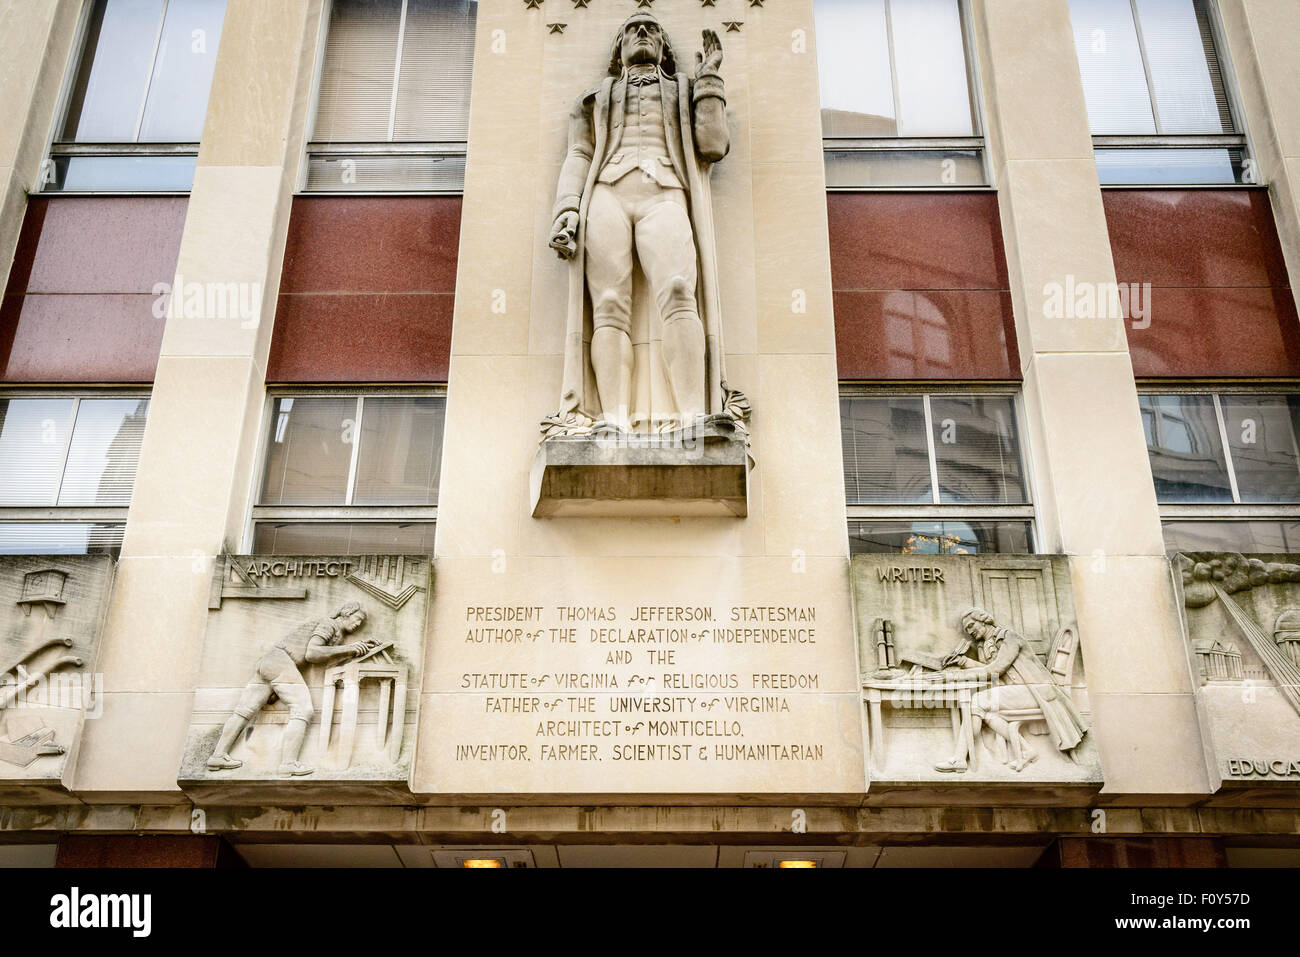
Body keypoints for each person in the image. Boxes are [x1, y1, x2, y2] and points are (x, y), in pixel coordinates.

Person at [545, 12, 739, 436]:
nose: (643, 33)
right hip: (607, 193)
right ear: (619, 47)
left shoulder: (683, 89)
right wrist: (567, 208)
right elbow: (579, 154)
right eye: (633, 29)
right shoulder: (593, 98)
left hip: (665, 192)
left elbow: (713, 145)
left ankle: (693, 417)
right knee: (610, 304)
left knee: (678, 290)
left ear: (664, 48)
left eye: (652, 29)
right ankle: (612, 419)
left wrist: (709, 81)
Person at [207, 601, 374, 776]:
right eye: (357, 619)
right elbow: (312, 653)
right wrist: (349, 648)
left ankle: (218, 755)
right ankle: (288, 763)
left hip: (270, 661)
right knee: (303, 709)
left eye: (361, 623)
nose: (358, 625)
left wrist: (357, 648)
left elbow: (325, 658)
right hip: (281, 661)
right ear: (346, 613)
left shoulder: (335, 632)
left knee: (244, 710)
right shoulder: (329, 624)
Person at [933, 607, 1089, 773]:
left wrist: (953, 677)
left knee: (978, 701)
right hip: (1020, 692)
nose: (969, 631)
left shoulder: (1009, 637)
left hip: (1037, 692)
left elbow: (996, 669)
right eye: (967, 630)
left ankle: (959, 759)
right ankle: (1026, 750)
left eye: (971, 626)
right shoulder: (984, 645)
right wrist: (963, 662)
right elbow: (989, 668)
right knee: (987, 712)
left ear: (984, 620)